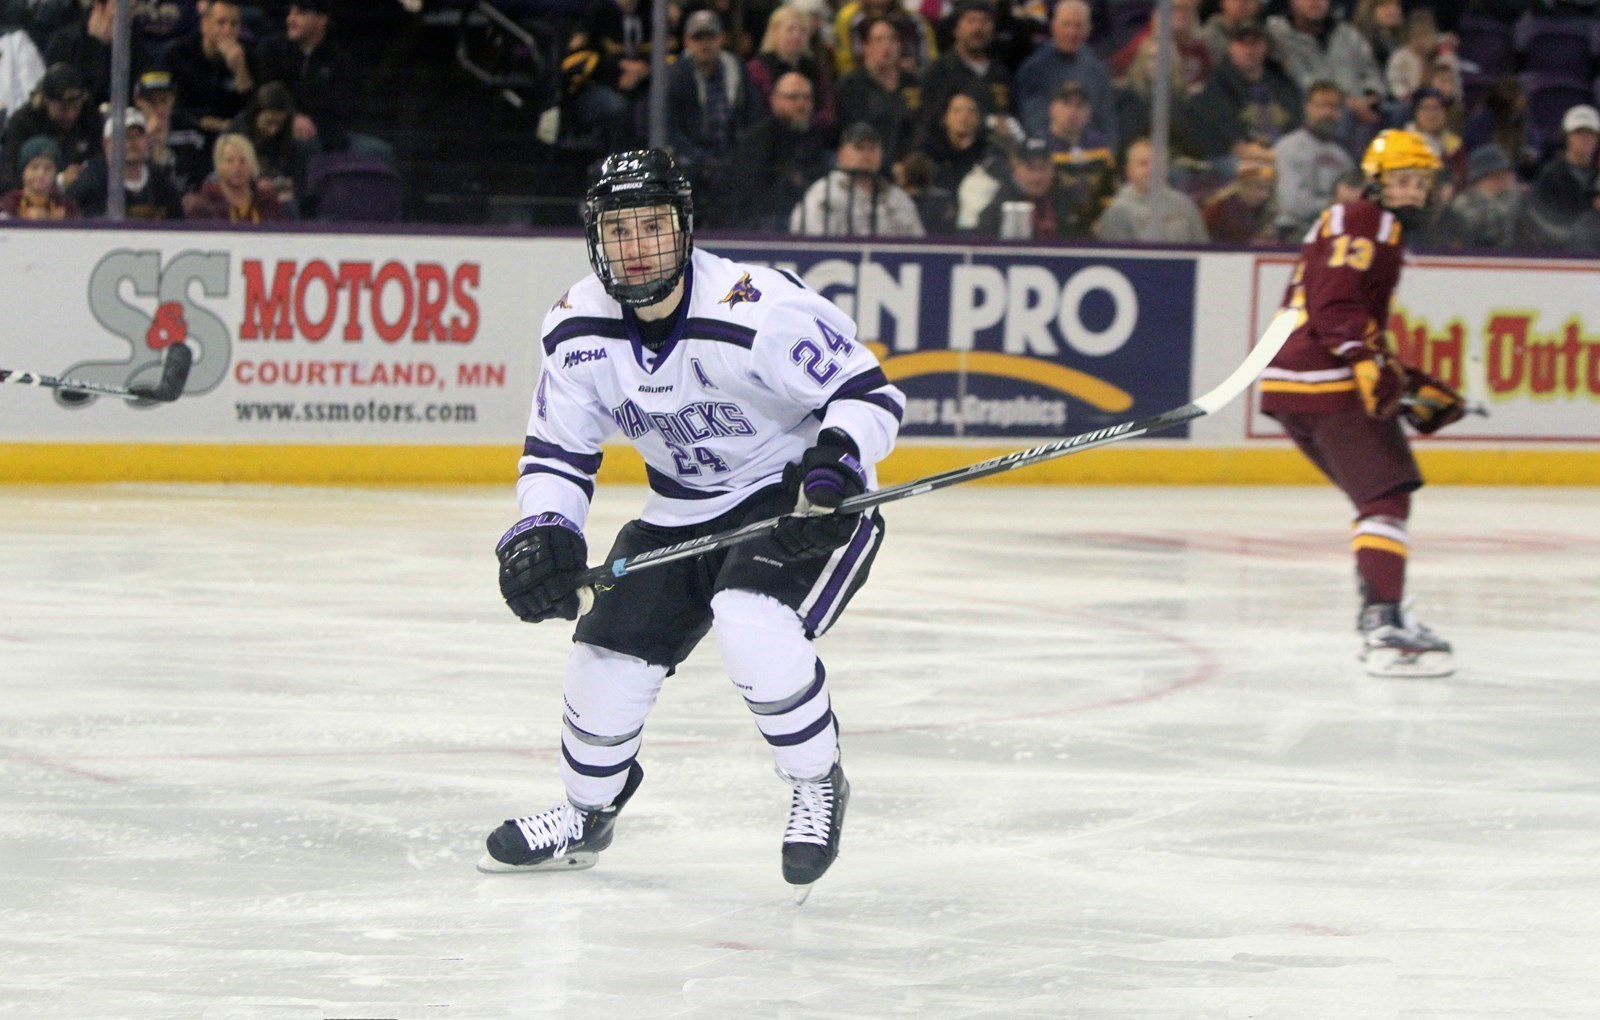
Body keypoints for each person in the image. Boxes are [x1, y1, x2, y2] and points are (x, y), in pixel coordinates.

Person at [478, 149, 903, 893]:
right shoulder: (577, 328)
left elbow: (868, 393)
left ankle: (816, 782)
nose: (637, 248)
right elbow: (558, 451)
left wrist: (835, 464)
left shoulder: (756, 310)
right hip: (679, 509)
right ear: (595, 240)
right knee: (604, 655)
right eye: (620, 230)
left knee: (749, 620)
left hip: (793, 496)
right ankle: (587, 813)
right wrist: (546, 530)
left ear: (685, 230)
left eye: (654, 227)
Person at [1258, 128, 1462, 679]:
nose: (1414, 189)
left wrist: (1402, 378)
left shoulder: (1367, 223)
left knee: (1379, 496)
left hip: (1300, 381)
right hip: (1323, 379)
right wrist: (1363, 357)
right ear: (1375, 180)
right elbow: (1336, 304)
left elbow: (1343, 310)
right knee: (1385, 496)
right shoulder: (1364, 219)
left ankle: (1383, 609)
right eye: (1402, 179)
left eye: (1421, 180)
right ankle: (1385, 624)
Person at [665, 9, 763, 220]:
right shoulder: (676, 76)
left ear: (721, 39)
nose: (704, 44)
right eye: (697, 38)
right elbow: (671, 130)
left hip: (732, 154)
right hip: (691, 158)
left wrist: (741, 153)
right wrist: (701, 158)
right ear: (687, 41)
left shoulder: (736, 68)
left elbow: (753, 116)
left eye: (710, 37)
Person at [727, 70, 832, 230]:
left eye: (806, 98)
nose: (801, 104)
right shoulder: (758, 138)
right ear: (775, 100)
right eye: (793, 97)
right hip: (765, 221)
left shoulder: (817, 136)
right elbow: (750, 186)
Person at [255, 0, 360, 153]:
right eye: (290, 12)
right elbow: (265, 94)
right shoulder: (272, 49)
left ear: (321, 20)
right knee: (305, 144)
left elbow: (342, 108)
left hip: (325, 132)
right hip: (279, 127)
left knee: (378, 150)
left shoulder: (339, 60)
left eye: (300, 14)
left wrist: (313, 122)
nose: (290, 19)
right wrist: (293, 117)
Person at [791, 120, 924, 236]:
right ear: (841, 154)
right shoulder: (825, 193)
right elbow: (809, 241)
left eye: (872, 148)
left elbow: (918, 245)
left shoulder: (896, 198)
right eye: (859, 148)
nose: (866, 154)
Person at [1013, 0, 1114, 145]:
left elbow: (1107, 121)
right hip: (1047, 154)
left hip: (1091, 153)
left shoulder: (1097, 70)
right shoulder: (1033, 69)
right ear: (1054, 26)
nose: (1072, 32)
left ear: (1088, 30)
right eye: (1066, 24)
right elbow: (1032, 122)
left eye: (1078, 26)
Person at [66, 107, 185, 220]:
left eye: (138, 135)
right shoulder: (90, 182)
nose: (132, 142)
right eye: (124, 136)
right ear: (107, 143)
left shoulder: (161, 183)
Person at [1272, 79, 1356, 239]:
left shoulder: (1343, 157)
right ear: (1308, 107)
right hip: (1293, 232)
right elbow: (1291, 204)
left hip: (1333, 232)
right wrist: (1332, 204)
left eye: (1334, 107)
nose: (1328, 113)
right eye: (1322, 105)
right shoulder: (1288, 147)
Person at [833, 15, 921, 166]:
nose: (886, 46)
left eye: (892, 40)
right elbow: (850, 134)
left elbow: (920, 126)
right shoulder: (850, 85)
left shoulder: (912, 83)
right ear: (865, 47)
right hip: (866, 164)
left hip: (909, 166)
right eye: (879, 40)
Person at [161, 0, 256, 138]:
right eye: (221, 23)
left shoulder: (248, 57)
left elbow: (255, 113)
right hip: (189, 134)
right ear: (204, 25)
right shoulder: (178, 56)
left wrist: (240, 70)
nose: (227, 30)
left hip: (235, 137)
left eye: (234, 24)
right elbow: (171, 108)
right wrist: (201, 121)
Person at [0, 63, 100, 192]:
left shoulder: (89, 116)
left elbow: (99, 159)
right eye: (62, 109)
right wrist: (58, 180)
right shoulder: (23, 123)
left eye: (76, 107)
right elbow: (10, 175)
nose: (71, 115)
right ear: (46, 102)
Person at [1092, 136, 1209, 242]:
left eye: (1158, 163)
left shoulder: (1185, 205)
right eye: (1143, 164)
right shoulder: (1116, 211)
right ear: (1129, 171)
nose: (1152, 170)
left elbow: (1203, 249)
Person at [746, 4, 837, 134]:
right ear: (775, 31)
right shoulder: (757, 69)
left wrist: (806, 123)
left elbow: (828, 111)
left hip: (812, 136)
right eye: (790, 29)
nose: (797, 35)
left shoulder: (815, 68)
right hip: (772, 138)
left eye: (802, 30)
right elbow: (758, 112)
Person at [1527, 104, 1600, 249]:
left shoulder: (1597, 176)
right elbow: (1541, 219)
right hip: (1561, 250)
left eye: (1590, 133)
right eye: (1579, 132)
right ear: (1567, 136)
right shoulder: (1551, 176)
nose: (1585, 139)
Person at [182, 131, 287, 223]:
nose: (237, 167)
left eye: (243, 161)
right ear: (219, 165)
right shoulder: (203, 204)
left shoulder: (267, 202)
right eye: (229, 161)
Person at [1444, 143, 1524, 249]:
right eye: (1495, 176)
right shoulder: (1463, 202)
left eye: (1505, 174)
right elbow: (1489, 230)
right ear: (1480, 179)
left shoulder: (1515, 197)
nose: (1503, 180)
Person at [0, 135, 79, 219]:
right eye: (34, 167)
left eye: (48, 168)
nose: (40, 174)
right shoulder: (8, 204)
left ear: (55, 173)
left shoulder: (67, 206)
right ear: (23, 171)